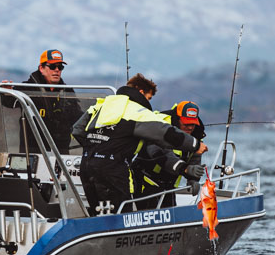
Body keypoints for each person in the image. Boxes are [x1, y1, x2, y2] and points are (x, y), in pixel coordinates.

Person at [71, 74, 207, 215]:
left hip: (87, 166)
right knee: (121, 217)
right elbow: (166, 134)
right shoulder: (138, 111)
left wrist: (96, 147)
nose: (148, 102)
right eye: (149, 98)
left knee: (99, 214)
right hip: (114, 170)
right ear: (141, 92)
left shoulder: (103, 104)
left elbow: (77, 130)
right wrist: (195, 145)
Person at [1, 49, 84, 154]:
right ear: (41, 68)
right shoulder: (27, 88)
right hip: (32, 153)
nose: (57, 70)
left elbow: (77, 118)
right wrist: (6, 93)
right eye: (53, 66)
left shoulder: (67, 91)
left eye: (60, 67)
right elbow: (8, 102)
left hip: (60, 154)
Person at [132, 100, 208, 209]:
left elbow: (194, 157)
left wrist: (193, 179)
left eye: (192, 124)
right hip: (146, 181)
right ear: (177, 119)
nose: (190, 127)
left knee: (172, 214)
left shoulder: (196, 134)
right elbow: (159, 154)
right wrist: (185, 168)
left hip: (168, 186)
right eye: (186, 123)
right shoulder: (160, 127)